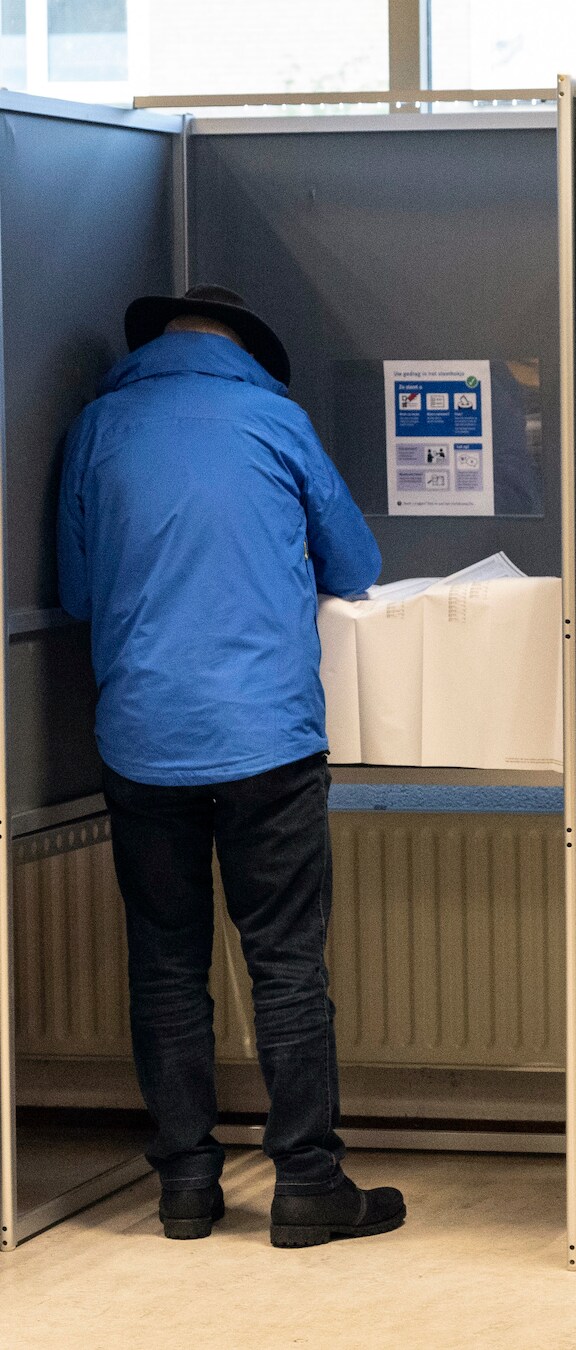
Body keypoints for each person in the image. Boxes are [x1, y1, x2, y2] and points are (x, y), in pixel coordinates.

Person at [58, 284, 405, 1248]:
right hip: (268, 740)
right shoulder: (274, 419)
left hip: (141, 737)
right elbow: (355, 562)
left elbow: (79, 592)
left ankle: (186, 1185)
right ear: (244, 349)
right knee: (286, 963)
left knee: (167, 964)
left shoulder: (98, 426)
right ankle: (306, 1183)